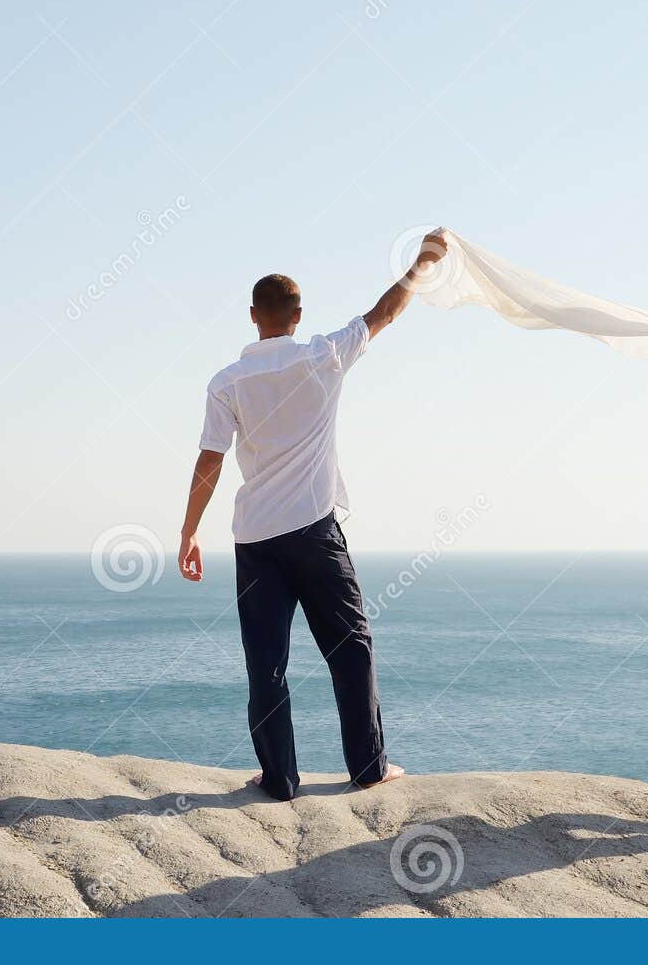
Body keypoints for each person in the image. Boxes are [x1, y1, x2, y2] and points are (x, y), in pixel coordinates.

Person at [176, 230, 450, 800]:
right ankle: (368, 768)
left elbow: (210, 459)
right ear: (298, 315)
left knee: (266, 663)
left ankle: (279, 780)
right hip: (314, 532)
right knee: (350, 648)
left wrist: (188, 531)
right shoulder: (323, 356)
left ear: (253, 316)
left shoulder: (227, 381)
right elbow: (386, 311)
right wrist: (424, 260)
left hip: (255, 540)